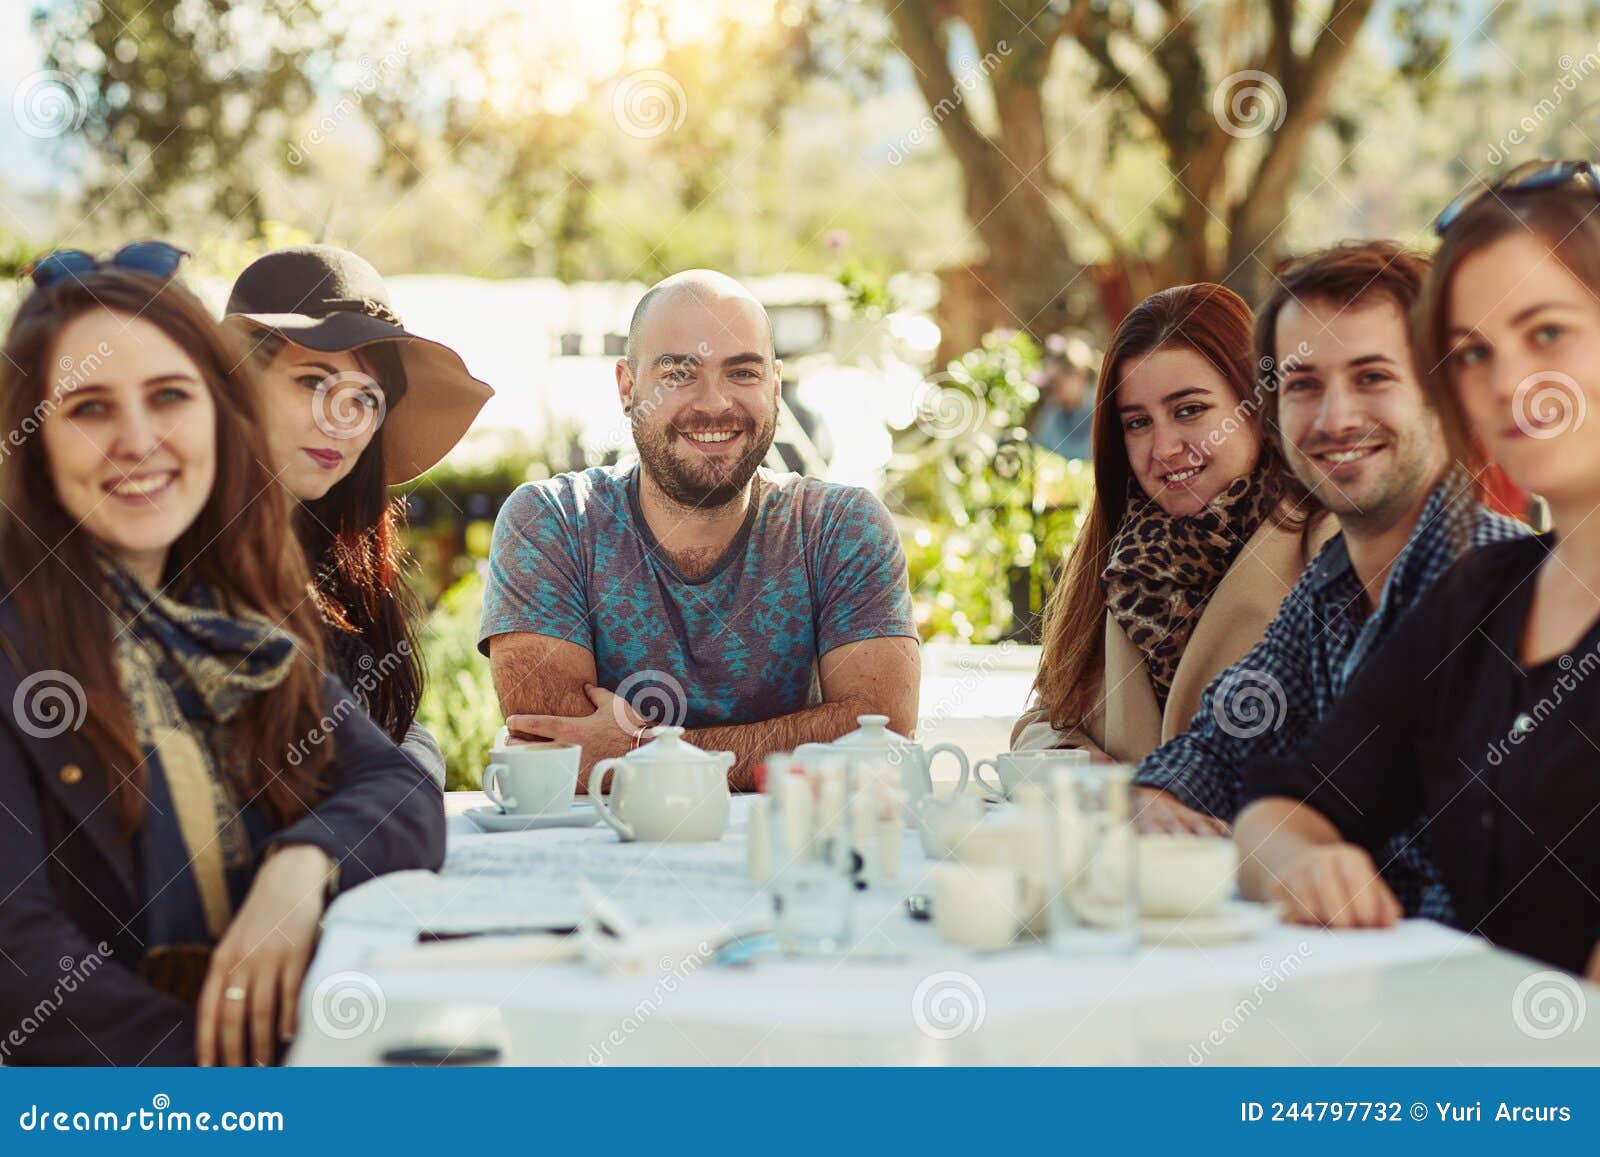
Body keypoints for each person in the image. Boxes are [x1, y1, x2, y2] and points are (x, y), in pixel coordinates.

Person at [0, 249, 444, 1066]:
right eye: (90, 408)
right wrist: (259, 1087)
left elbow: (397, 788)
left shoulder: (221, 624)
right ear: (32, 440)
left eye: (169, 396)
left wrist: (303, 861)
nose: (138, 440)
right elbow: (21, 967)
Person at [1237, 161, 1600, 978]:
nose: (1509, 383)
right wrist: (1301, 862)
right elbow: (1280, 805)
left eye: (1546, 332)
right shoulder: (1483, 598)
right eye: (1472, 353)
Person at [1132, 243, 1527, 916]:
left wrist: (1282, 853)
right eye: (1303, 384)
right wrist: (1156, 799)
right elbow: (1217, 750)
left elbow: (1467, 899)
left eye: (1372, 377)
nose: (1335, 418)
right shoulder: (1327, 588)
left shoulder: (1505, 587)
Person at [480, 269, 919, 791]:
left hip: (790, 855)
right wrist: (786, 745)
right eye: (678, 374)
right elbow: (559, 750)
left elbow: (879, 733)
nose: (714, 402)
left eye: (742, 373)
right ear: (628, 387)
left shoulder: (838, 528)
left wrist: (642, 752)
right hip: (606, 852)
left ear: (775, 386)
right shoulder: (553, 522)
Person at [1013, 283, 1330, 765]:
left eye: (1189, 411)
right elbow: (1043, 723)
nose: (1163, 449)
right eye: (1137, 422)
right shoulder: (1119, 549)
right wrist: (1095, 775)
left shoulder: (1330, 544)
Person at [226, 245, 493, 787]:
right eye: (312, 382)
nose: (343, 420)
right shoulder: (176, 557)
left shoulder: (336, 560)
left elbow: (401, 736)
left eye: (368, 398)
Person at [1028, 333, 1096, 461]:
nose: (1053, 393)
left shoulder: (1098, 413)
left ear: (1078, 377)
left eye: (1057, 384)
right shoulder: (1053, 410)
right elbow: (1039, 450)